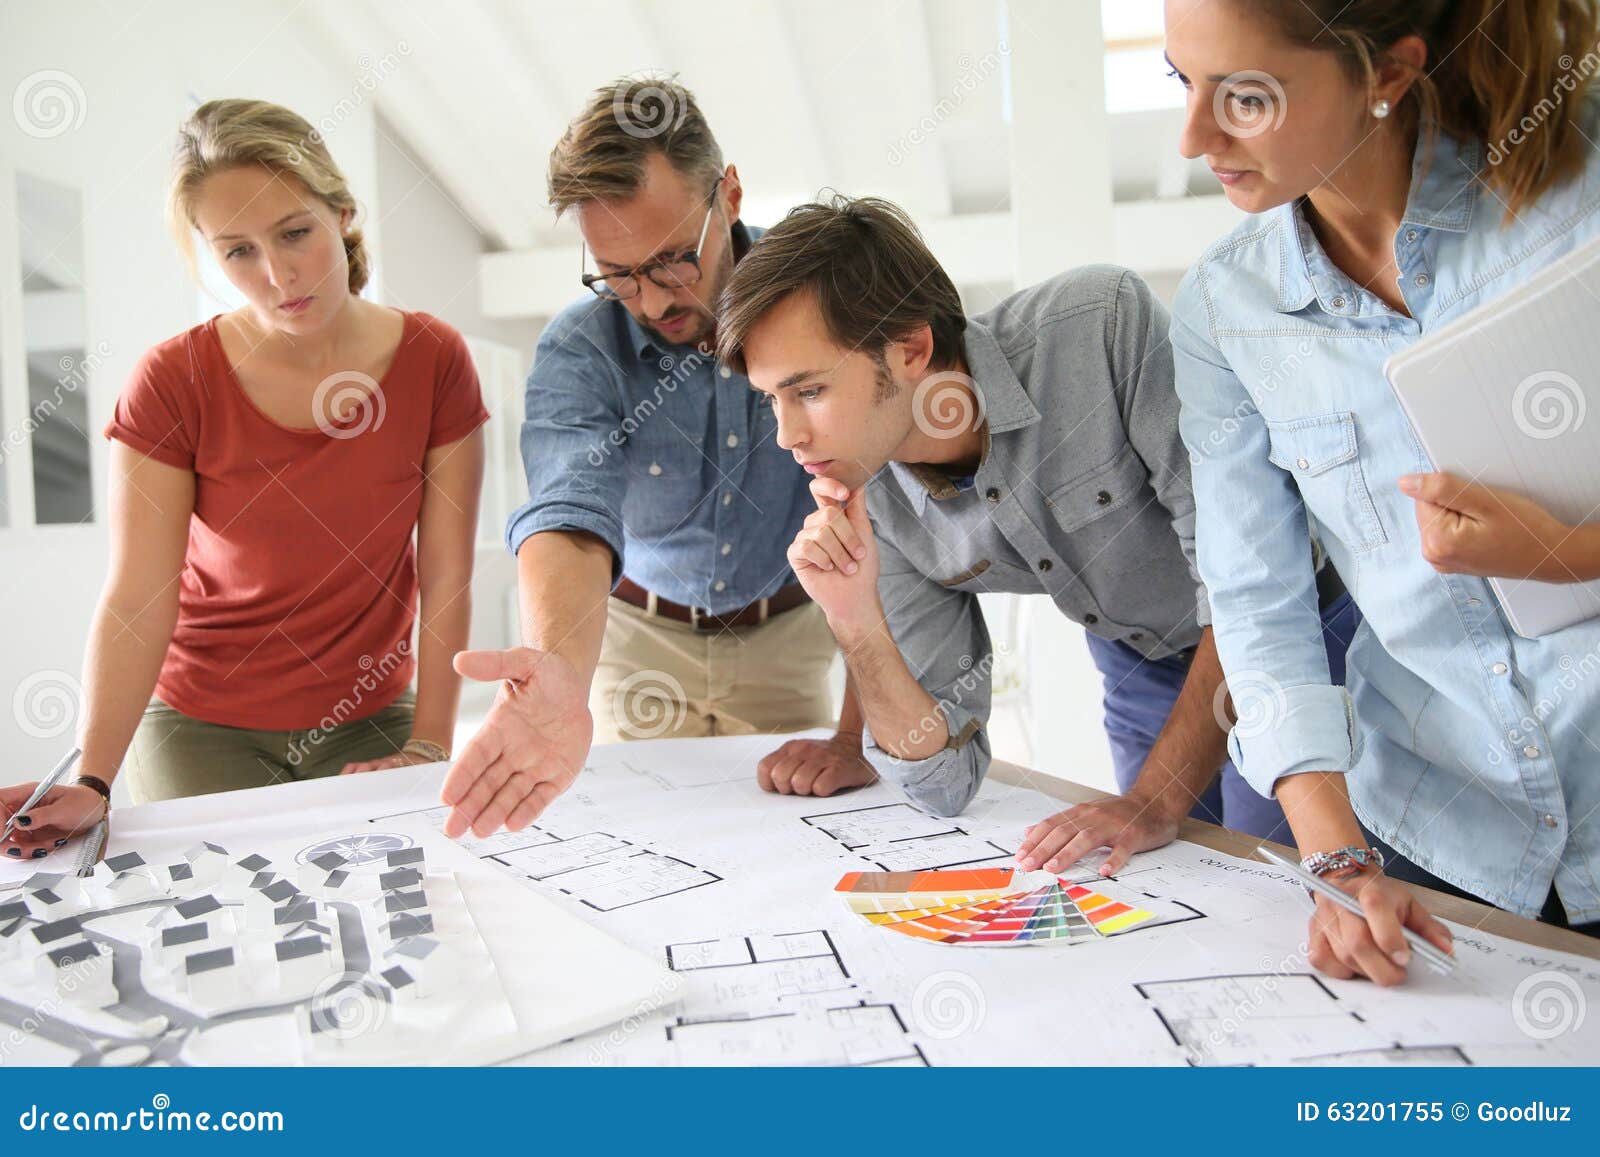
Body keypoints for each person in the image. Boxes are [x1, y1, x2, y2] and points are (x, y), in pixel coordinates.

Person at [712, 195, 1357, 864]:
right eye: (771, 400)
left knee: (1282, 876)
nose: (787, 436)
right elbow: (943, 782)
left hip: (1293, 631)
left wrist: (1155, 798)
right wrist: (855, 620)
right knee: (1170, 871)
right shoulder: (869, 497)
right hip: (1138, 662)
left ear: (911, 348)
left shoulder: (1098, 328)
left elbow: (1247, 585)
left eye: (809, 390)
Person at [1164, 0, 1600, 986]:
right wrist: (1335, 856)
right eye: (1179, 83)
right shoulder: (1224, 308)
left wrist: (1566, 550)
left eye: (1244, 96)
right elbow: (1255, 601)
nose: (1191, 138)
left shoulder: (1578, 185)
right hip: (1437, 839)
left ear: (1388, 76)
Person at [0, 99, 487, 861]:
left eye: (295, 233)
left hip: (373, 720)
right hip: (200, 727)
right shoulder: (173, 378)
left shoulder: (435, 358)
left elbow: (448, 572)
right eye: (237, 252)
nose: (278, 274)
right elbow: (138, 595)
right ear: (206, 253)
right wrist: (94, 776)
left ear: (343, 213)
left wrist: (430, 742)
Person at [440, 77, 870, 842]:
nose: (648, 300)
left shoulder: (828, 301)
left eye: (673, 261)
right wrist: (557, 668)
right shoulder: (580, 349)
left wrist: (852, 733)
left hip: (783, 638)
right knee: (654, 854)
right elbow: (570, 515)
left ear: (729, 195)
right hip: (636, 643)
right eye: (616, 272)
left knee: (783, 852)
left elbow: (891, 511)